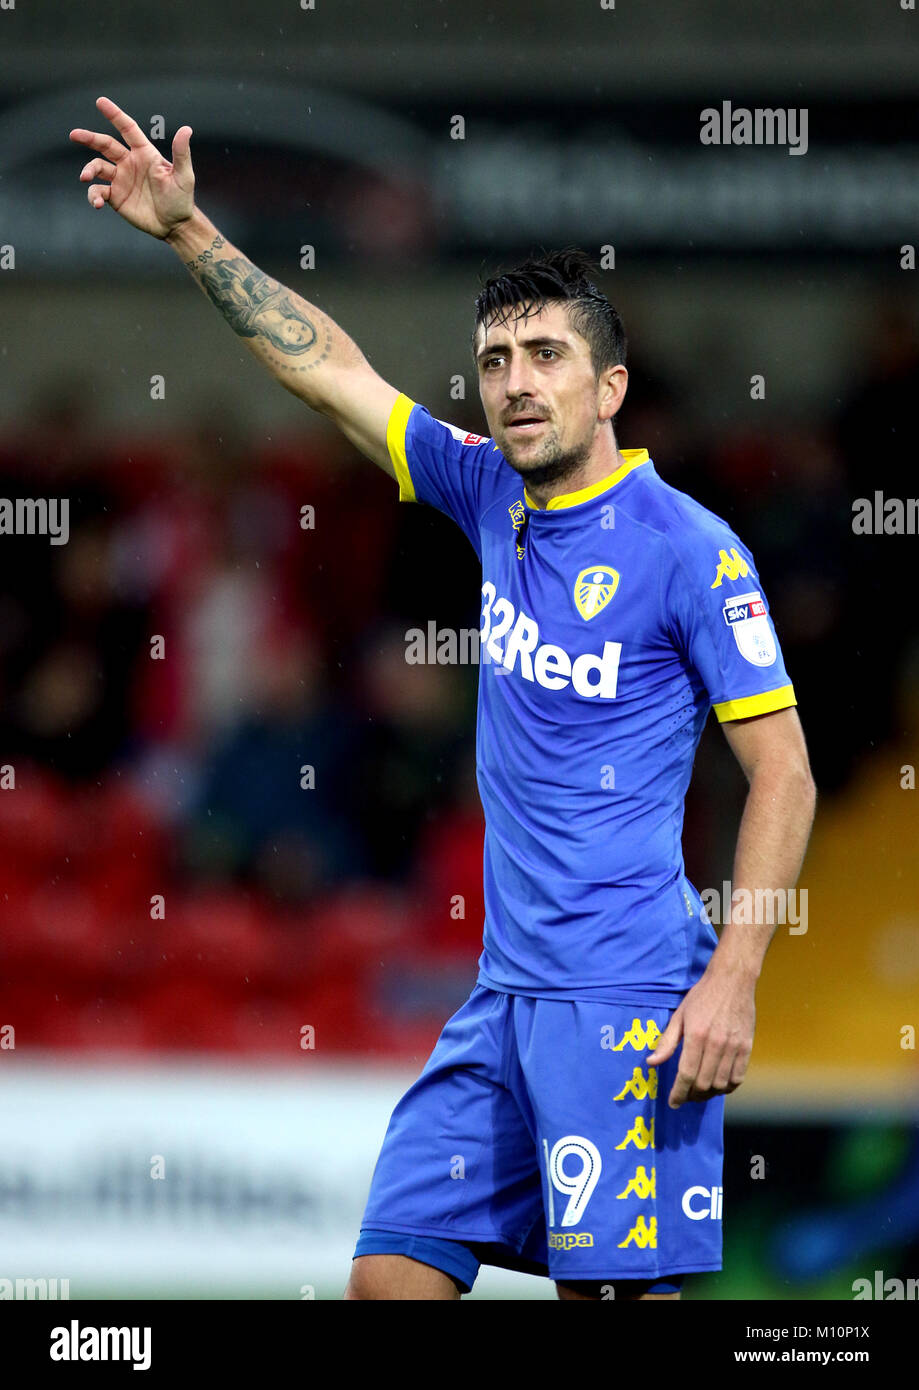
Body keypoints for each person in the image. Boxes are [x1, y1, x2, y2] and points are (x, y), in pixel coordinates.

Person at [70, 98, 817, 1301]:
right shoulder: (485, 494)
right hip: (504, 991)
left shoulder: (692, 549)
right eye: (496, 362)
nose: (516, 386)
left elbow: (785, 771)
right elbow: (332, 373)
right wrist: (190, 233)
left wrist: (732, 976)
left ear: (611, 384)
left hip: (624, 994)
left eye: (547, 358)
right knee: (388, 1278)